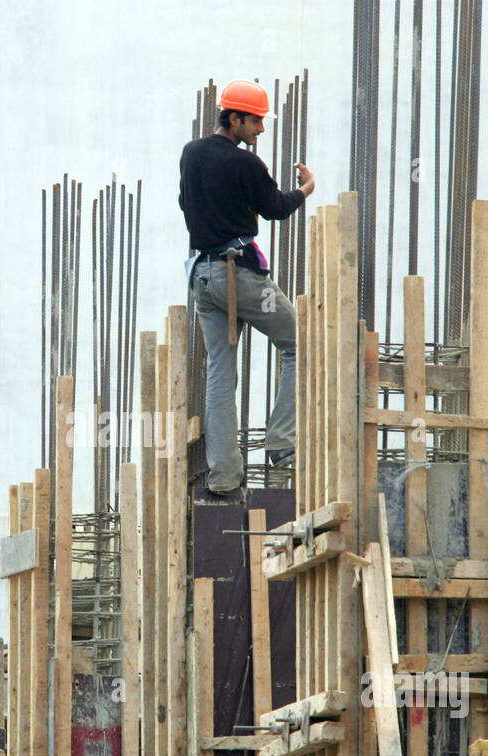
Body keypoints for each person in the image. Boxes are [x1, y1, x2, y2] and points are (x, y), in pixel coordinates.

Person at [179, 79, 315, 494]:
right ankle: (284, 445)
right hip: (240, 275)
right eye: (256, 121)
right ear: (234, 117)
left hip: (202, 276)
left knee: (221, 371)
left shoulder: (191, 153)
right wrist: (305, 190)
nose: (260, 129)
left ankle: (223, 476)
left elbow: (185, 203)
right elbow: (275, 209)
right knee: (302, 342)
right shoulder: (246, 165)